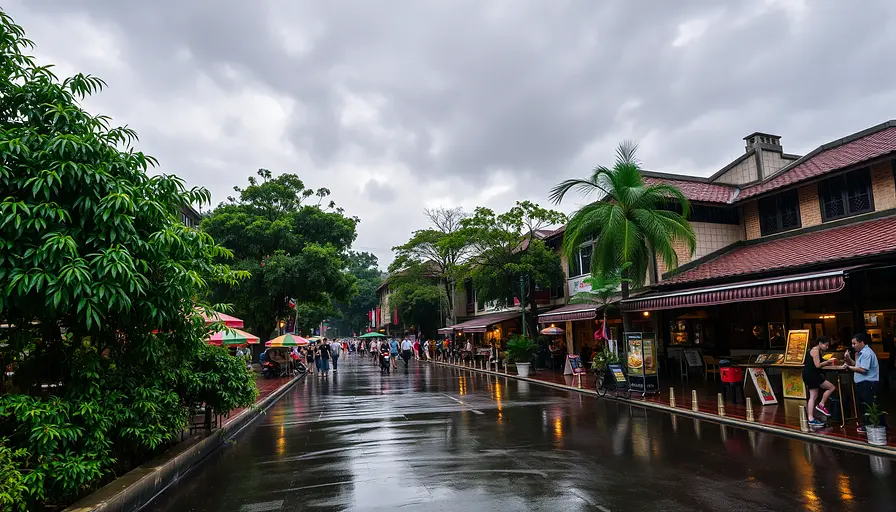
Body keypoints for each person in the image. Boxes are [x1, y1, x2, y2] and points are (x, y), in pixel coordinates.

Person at [843, 333, 885, 433]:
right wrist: (849, 359)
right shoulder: (861, 353)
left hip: (868, 383)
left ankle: (873, 426)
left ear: (861, 342)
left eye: (854, 343)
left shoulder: (866, 353)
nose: (853, 346)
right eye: (852, 344)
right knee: (865, 405)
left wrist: (849, 367)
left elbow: (863, 370)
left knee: (869, 406)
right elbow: (857, 365)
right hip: (862, 384)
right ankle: (871, 425)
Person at [804, 336, 837, 426]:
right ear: (820, 343)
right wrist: (827, 362)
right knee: (831, 387)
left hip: (810, 374)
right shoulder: (815, 351)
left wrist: (827, 361)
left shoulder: (817, 351)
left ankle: (811, 417)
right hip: (812, 375)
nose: (827, 347)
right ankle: (821, 405)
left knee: (813, 396)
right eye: (826, 345)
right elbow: (818, 365)